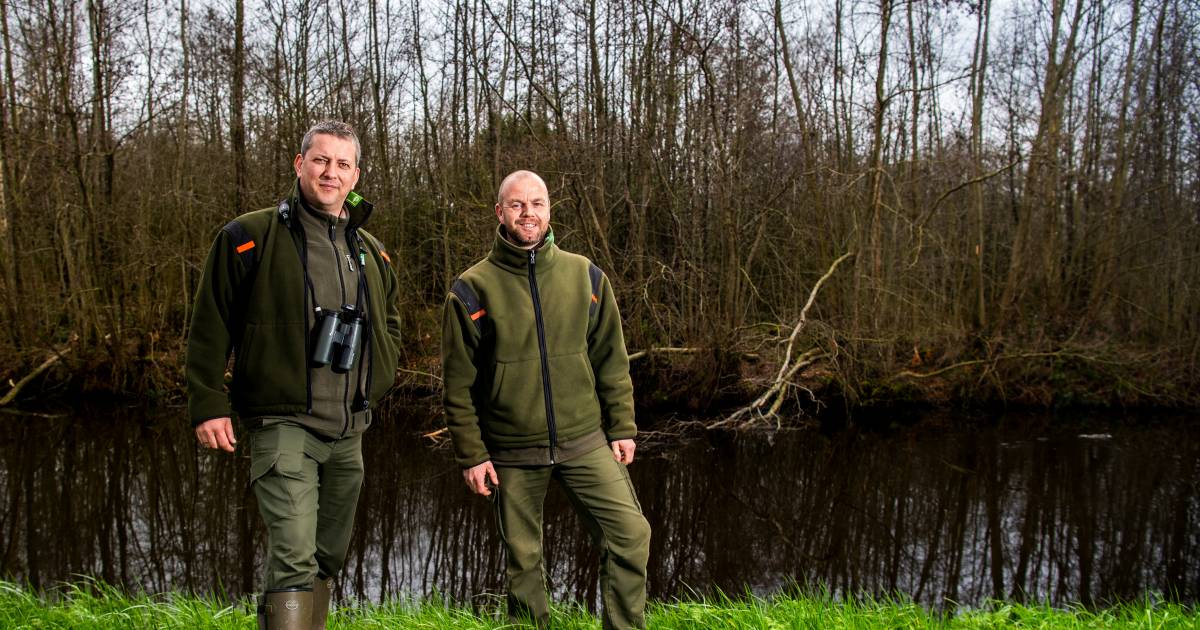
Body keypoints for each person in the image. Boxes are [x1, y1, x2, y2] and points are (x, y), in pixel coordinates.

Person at [185, 120, 402, 630]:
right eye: (321, 160)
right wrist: (208, 402)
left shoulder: (370, 250)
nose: (331, 172)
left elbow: (389, 320)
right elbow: (210, 320)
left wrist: (377, 380)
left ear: (356, 175)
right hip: (283, 422)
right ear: (299, 164)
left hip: (349, 428)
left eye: (342, 164)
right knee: (293, 553)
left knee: (327, 556)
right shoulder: (248, 236)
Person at [441, 170, 651, 629]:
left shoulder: (586, 275)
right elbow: (457, 384)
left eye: (537, 203)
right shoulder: (471, 288)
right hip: (512, 448)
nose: (528, 213)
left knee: (631, 535)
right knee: (524, 563)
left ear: (550, 210)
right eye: (517, 204)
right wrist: (472, 455)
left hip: (584, 438)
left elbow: (611, 360)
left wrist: (621, 426)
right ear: (500, 212)